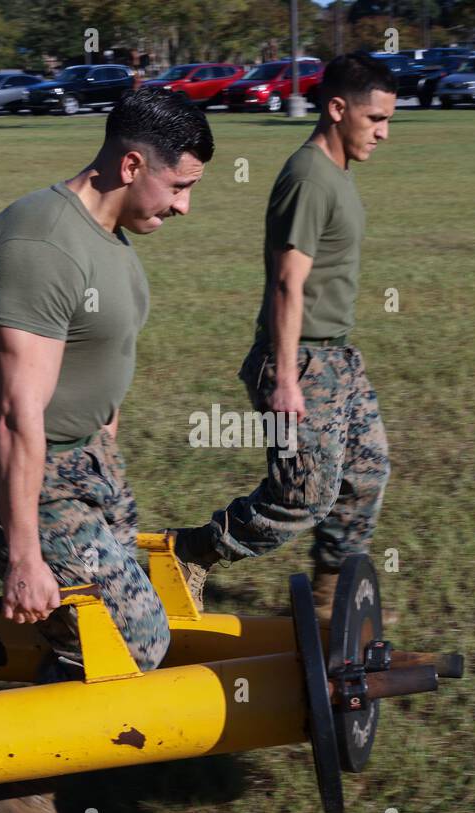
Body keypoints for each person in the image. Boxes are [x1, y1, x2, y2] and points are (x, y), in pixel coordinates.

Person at [0, 87, 214, 813]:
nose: (186, 207)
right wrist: (24, 554)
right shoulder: (38, 248)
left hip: (85, 463)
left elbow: (99, 361)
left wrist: (110, 449)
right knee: (134, 635)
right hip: (28, 474)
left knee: (109, 625)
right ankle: (10, 783)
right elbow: (18, 416)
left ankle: (27, 716)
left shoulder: (111, 237)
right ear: (132, 163)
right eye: (180, 186)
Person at [171, 52, 398, 625]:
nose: (384, 133)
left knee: (366, 473)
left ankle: (330, 605)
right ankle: (193, 552)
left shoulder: (338, 171)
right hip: (301, 359)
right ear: (337, 108)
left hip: (337, 355)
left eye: (388, 120)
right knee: (301, 497)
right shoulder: (307, 177)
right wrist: (287, 379)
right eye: (375, 120)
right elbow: (286, 284)